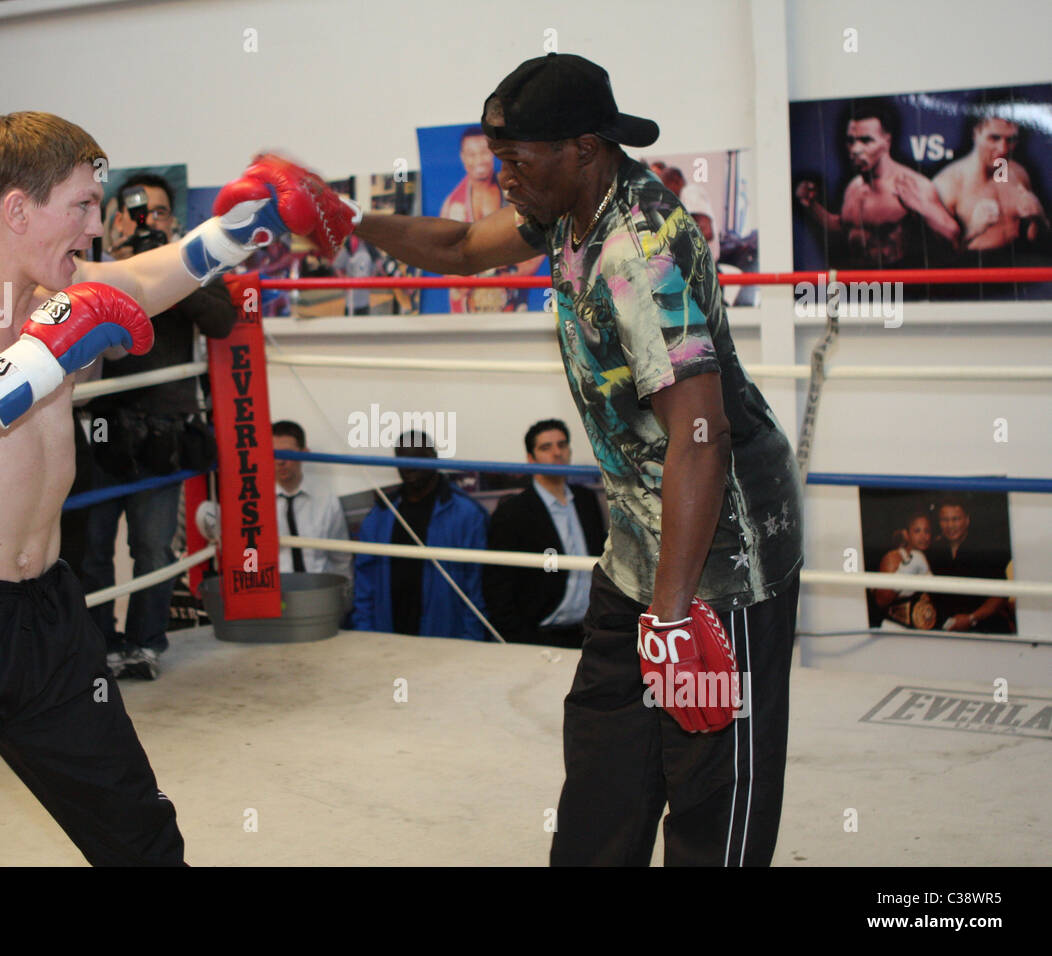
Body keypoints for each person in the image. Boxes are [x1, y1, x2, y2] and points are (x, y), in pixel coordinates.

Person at [0, 112, 357, 865]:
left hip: (48, 617)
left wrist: (247, 227)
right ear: (17, 208)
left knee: (141, 839)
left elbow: (155, 275)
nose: (95, 226)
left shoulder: (66, 286)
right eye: (81, 206)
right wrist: (41, 356)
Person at [355, 53, 805, 866]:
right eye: (500, 163)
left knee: (711, 789)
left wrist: (671, 619)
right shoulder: (568, 205)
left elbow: (701, 440)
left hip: (721, 550)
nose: (504, 180)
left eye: (518, 163)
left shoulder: (640, 255)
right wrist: (340, 223)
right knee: (606, 763)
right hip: (641, 534)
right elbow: (458, 246)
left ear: (585, 149)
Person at [83, 175, 236, 682]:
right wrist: (128, 266)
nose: (149, 222)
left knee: (152, 547)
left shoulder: (190, 263)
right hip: (102, 425)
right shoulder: (98, 267)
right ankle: (98, 647)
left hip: (163, 428)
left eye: (160, 212)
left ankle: (146, 643)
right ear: (118, 219)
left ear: (173, 220)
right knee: (93, 546)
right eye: (137, 212)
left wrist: (173, 268)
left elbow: (221, 321)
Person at [352, 431, 488, 641]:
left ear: (433, 457)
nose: (409, 466)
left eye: (417, 457)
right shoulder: (379, 515)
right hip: (388, 637)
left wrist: (471, 641)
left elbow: (477, 586)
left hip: (447, 641)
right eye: (402, 458)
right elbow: (364, 583)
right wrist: (365, 633)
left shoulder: (466, 514)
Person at [794, 99, 959, 269]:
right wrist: (810, 204)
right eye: (851, 141)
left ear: (887, 141)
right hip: (861, 284)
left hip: (898, 284)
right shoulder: (854, 187)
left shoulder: (910, 184)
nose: (855, 149)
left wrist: (922, 208)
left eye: (866, 141)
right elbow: (843, 229)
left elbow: (953, 236)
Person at [483, 419, 605, 648]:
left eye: (562, 445)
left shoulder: (586, 501)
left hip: (591, 632)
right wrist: (520, 638)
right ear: (531, 458)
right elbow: (497, 588)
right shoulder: (512, 512)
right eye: (546, 447)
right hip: (539, 636)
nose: (557, 453)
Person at [438, 125, 544, 312]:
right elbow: (445, 261)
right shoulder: (452, 205)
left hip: (513, 299)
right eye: (472, 154)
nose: (479, 160)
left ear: (493, 153)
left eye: (484, 152)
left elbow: (543, 240)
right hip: (468, 306)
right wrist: (475, 282)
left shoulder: (516, 193)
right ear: (463, 158)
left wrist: (515, 277)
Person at [933, 107, 1049, 254]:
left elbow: (1035, 238)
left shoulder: (1017, 173)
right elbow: (935, 257)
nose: (1003, 149)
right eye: (994, 138)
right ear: (976, 134)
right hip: (974, 268)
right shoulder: (948, 183)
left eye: (1010, 139)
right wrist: (974, 231)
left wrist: (1039, 218)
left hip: (1016, 263)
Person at [271, 420, 352, 580]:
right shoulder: (255, 504)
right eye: (274, 454)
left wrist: (342, 599)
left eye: (287, 454)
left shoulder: (326, 499)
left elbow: (341, 558)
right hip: (274, 594)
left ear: (304, 452)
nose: (280, 461)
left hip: (318, 592)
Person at [927, 497, 1013, 634]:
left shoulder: (984, 549)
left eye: (955, 519)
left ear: (967, 520)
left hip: (985, 628)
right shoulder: (933, 551)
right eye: (945, 520)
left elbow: (1000, 596)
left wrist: (971, 618)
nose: (950, 525)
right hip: (945, 631)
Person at [872, 512, 936, 630]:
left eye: (927, 531)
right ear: (906, 534)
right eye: (917, 531)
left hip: (922, 631)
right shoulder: (894, 558)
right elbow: (881, 600)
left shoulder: (931, 560)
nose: (923, 536)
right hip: (895, 629)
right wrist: (906, 570)